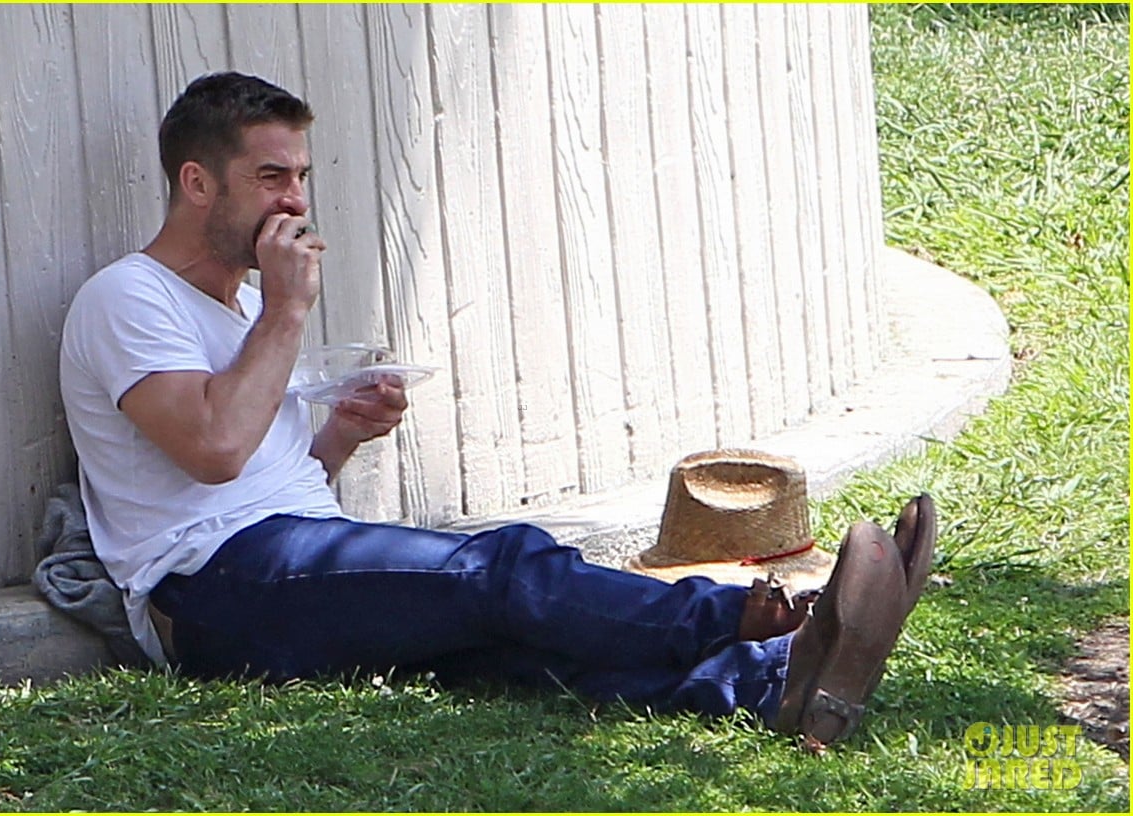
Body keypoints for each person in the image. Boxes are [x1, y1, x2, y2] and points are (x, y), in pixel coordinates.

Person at [60, 71, 935, 745]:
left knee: (516, 645)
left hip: (279, 560)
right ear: (198, 183)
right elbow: (211, 455)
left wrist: (339, 434)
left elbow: (278, 477)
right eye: (271, 177)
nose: (296, 200)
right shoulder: (126, 299)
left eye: (301, 176)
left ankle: (778, 686)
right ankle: (751, 613)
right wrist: (290, 313)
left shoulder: (248, 310)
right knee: (503, 571)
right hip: (211, 594)